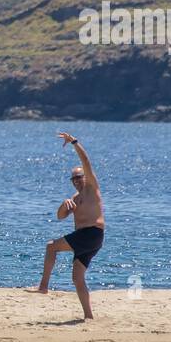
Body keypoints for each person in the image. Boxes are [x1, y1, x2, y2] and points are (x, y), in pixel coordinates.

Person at [30, 131, 105, 320]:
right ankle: (89, 316)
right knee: (77, 278)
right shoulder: (74, 198)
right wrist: (63, 205)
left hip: (91, 234)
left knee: (51, 246)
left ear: (86, 178)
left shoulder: (92, 189)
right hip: (88, 239)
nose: (77, 180)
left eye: (80, 177)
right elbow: (60, 216)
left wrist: (74, 142)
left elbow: (86, 162)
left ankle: (43, 287)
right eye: (74, 179)